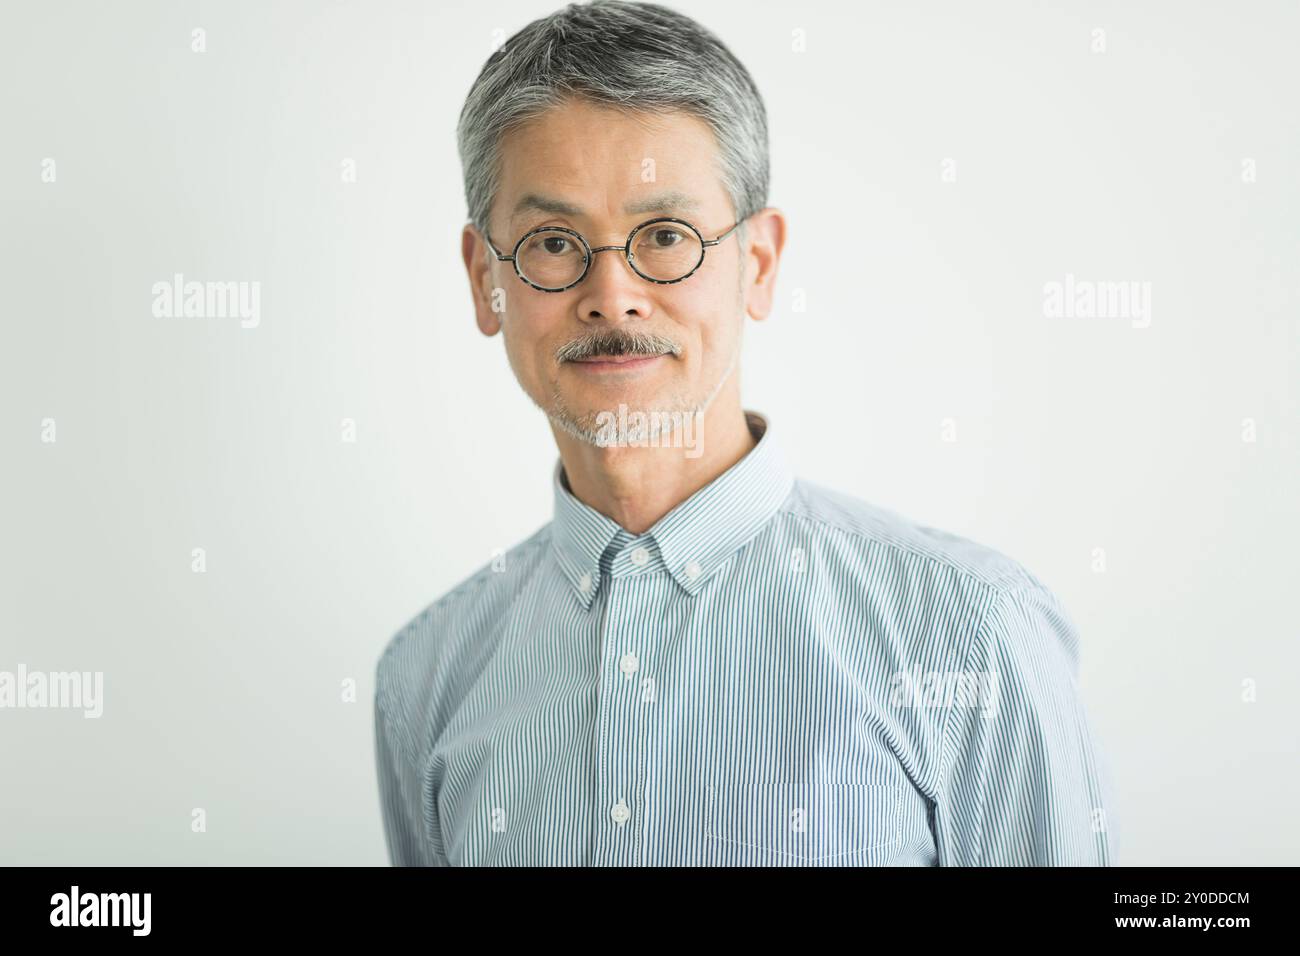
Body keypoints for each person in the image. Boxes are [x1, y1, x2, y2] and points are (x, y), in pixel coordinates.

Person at [375, 0, 1119, 866]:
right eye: (551, 242)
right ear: (483, 281)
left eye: (664, 235)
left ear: (757, 265)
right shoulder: (425, 678)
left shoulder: (974, 635)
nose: (612, 294)